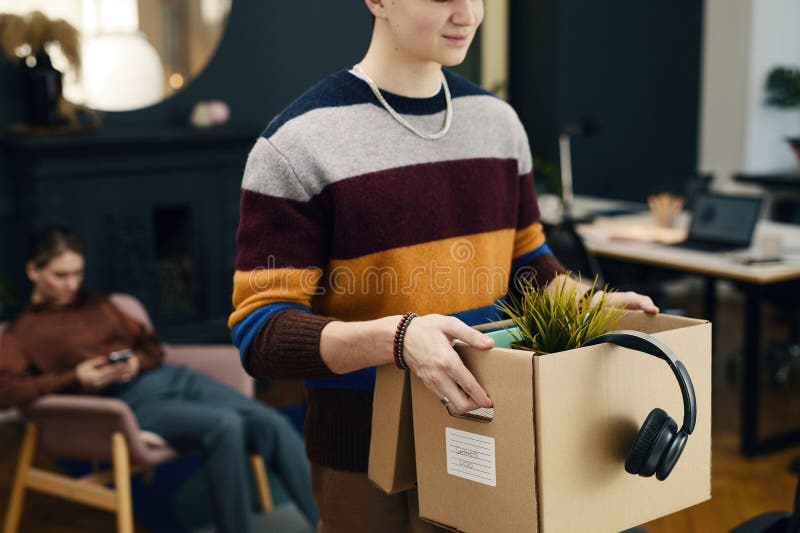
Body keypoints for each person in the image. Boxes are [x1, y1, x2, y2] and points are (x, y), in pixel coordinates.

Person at [229, 1, 658, 531]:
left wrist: (582, 299)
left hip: (493, 426)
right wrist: (398, 339)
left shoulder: (498, 123)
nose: (468, 15)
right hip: (365, 453)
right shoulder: (296, 144)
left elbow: (527, 268)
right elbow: (262, 333)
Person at [0, 226, 319, 533]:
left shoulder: (99, 303)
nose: (72, 284)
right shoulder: (23, 332)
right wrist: (75, 377)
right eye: (61, 276)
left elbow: (153, 346)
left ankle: (329, 524)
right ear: (33, 271)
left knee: (272, 424)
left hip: (172, 378)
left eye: (77, 273)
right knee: (226, 425)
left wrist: (135, 361)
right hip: (127, 403)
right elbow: (6, 389)